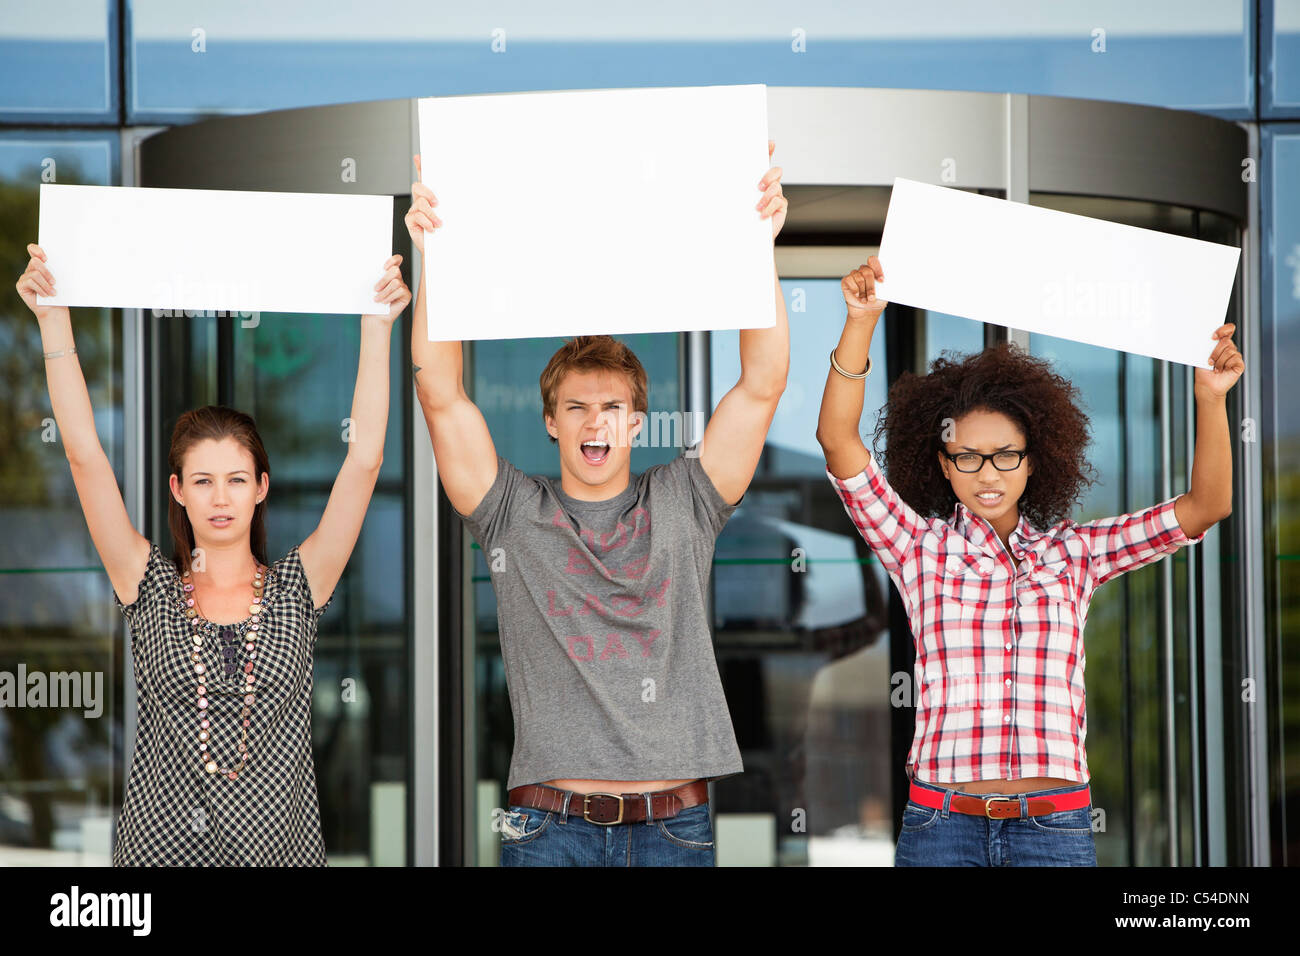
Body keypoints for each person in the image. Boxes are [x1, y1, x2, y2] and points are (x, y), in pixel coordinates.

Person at [406, 143, 790, 866]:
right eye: (577, 407)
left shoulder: (685, 501)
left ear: (637, 421)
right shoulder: (511, 511)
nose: (595, 422)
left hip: (675, 827)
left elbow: (763, 382)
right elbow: (440, 392)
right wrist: (435, 254)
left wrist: (757, 245)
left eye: (613, 406)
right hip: (551, 830)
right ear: (550, 420)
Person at [816, 257, 1243, 866]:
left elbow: (1206, 506)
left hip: (1053, 832)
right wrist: (860, 321)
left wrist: (1210, 398)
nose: (987, 474)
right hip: (943, 828)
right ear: (942, 463)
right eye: (967, 457)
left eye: (1005, 456)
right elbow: (839, 441)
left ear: (1034, 460)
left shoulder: (1075, 554)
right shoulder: (918, 548)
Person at [16, 242, 411, 865]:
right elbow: (85, 458)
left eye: (235, 479)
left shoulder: (296, 588)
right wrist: (52, 322)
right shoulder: (148, 587)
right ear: (178, 490)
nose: (220, 497)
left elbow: (364, 461)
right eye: (202, 480)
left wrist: (375, 328)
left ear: (262, 487)